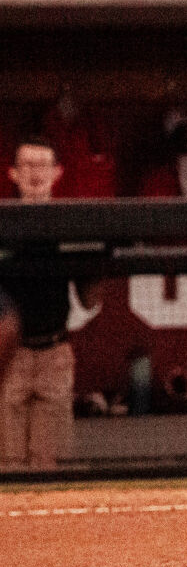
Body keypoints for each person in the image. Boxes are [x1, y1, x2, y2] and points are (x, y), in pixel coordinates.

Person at [1, 139, 99, 470]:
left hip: (54, 353)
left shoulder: (70, 225)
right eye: (27, 165)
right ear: (13, 173)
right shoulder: (3, 223)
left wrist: (98, 269)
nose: (35, 173)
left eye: (42, 165)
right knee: (6, 463)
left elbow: (89, 298)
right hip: (8, 359)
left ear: (57, 173)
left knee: (49, 465)